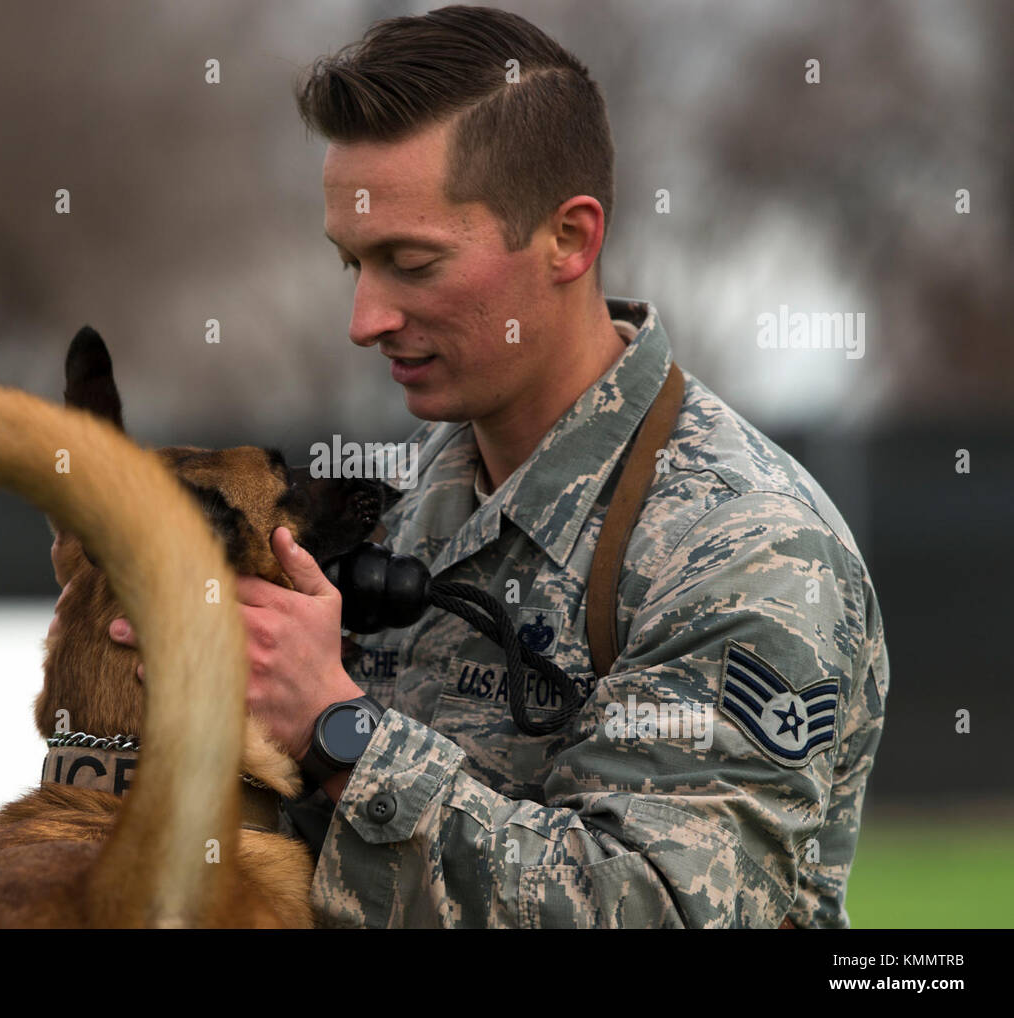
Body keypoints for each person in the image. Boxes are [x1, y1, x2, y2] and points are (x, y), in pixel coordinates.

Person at [97, 5, 888, 927]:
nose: (364, 319)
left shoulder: (742, 549)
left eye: (412, 262)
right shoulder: (397, 514)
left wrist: (338, 731)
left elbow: (658, 909)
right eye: (350, 264)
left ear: (570, 239)